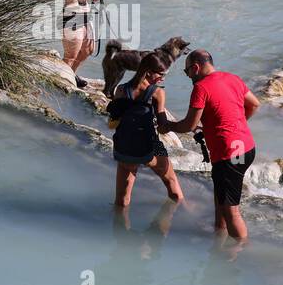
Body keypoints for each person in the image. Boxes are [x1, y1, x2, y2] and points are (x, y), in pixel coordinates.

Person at [158, 50, 260, 240]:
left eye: (187, 72)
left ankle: (236, 254)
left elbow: (189, 125)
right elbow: (254, 104)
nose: (188, 76)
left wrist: (169, 126)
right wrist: (234, 125)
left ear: (195, 67)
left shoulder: (201, 88)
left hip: (229, 153)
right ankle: (218, 231)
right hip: (247, 147)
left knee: (232, 212)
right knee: (221, 193)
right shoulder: (233, 78)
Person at [107, 53, 185, 208]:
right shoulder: (157, 93)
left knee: (122, 201)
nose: (162, 78)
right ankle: (181, 215)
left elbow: (113, 122)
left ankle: (118, 230)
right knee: (172, 183)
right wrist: (182, 126)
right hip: (148, 149)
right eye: (161, 74)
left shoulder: (120, 90)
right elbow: (162, 129)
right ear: (149, 72)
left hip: (123, 149)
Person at [52, 0, 104, 88]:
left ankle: (71, 76)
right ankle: (61, 83)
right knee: (71, 55)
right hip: (72, 17)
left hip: (83, 17)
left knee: (88, 49)